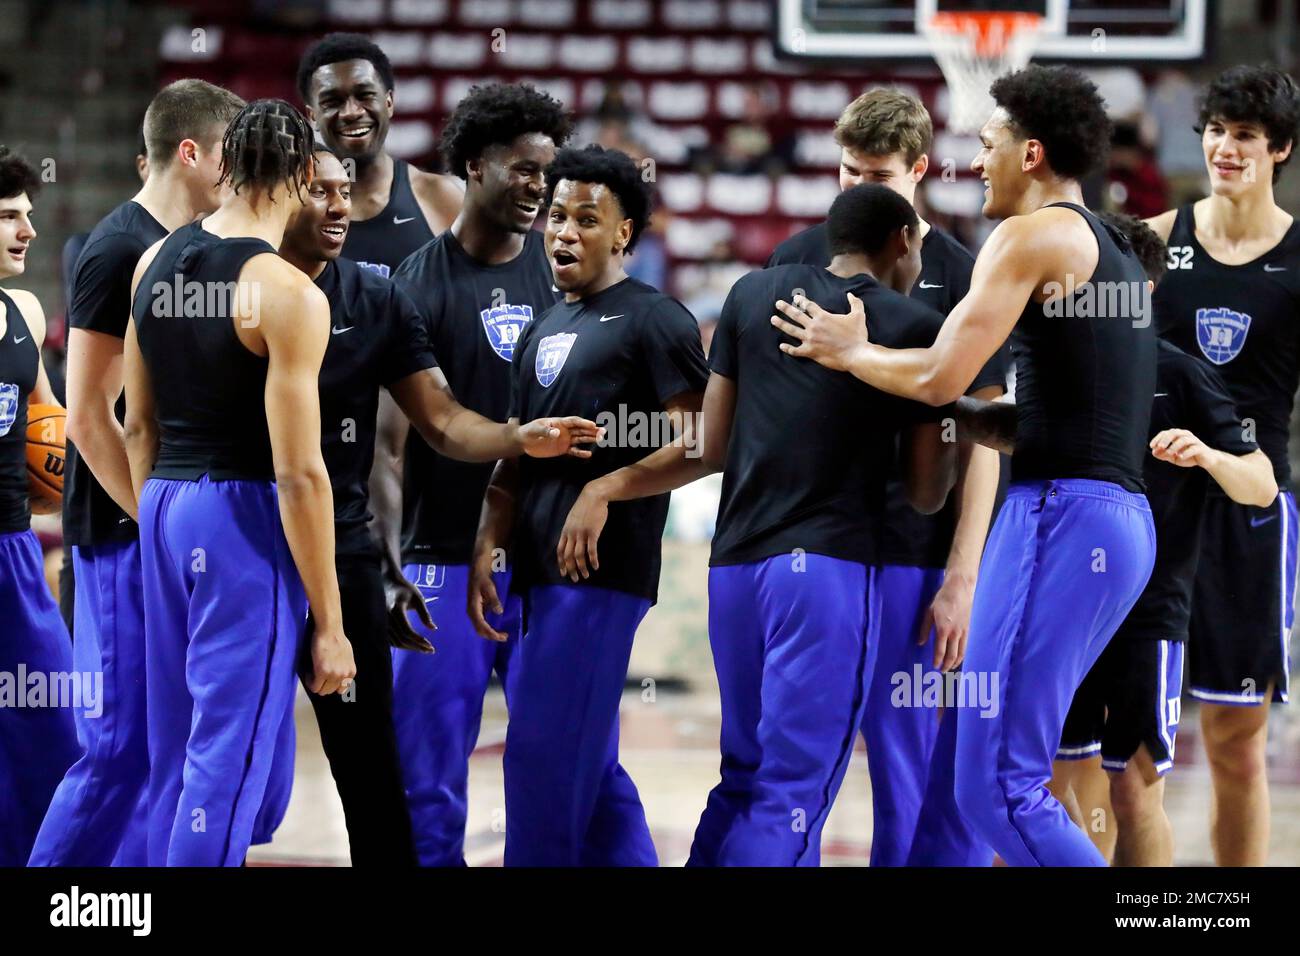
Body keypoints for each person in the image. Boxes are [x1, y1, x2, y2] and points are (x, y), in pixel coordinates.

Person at [771, 65, 1157, 866]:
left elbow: (941, 375)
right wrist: (962, 414)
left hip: (1062, 515)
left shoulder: (1031, 233)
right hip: (1109, 515)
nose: (977, 162)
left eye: (988, 145)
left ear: (1032, 151)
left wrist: (854, 351)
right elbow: (1038, 416)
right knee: (999, 778)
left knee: (995, 788)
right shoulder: (1107, 247)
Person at [272, 146, 597, 865]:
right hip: (251, 543)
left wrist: (518, 435)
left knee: (377, 776)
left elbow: (440, 421)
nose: (336, 205)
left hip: (350, 550)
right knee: (247, 776)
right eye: (317, 191)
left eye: (343, 191)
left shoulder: (378, 296)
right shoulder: (234, 284)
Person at [768, 86, 1006, 868]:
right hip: (814, 550)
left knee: (907, 770)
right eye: (846, 172)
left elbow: (984, 441)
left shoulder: (969, 276)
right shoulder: (795, 261)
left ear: (920, 171)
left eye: (877, 174)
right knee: (792, 762)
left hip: (911, 550)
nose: (858, 189)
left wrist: (963, 575)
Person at [689, 183, 955, 865]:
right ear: (902, 240)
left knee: (741, 780)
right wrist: (953, 419)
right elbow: (926, 494)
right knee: (792, 794)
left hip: (733, 570)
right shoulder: (912, 324)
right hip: (826, 577)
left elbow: (710, 443)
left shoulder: (750, 294)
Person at [122, 99, 356, 866]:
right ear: (295, 174)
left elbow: (137, 425)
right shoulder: (287, 293)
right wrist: (330, 622)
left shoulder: (152, 263)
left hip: (160, 503)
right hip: (239, 515)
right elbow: (299, 473)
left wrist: (159, 522)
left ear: (225, 167)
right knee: (227, 759)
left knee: (177, 751)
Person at [469, 145, 709, 866]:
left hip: (599, 576)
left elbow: (705, 442)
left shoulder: (654, 319)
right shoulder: (543, 326)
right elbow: (515, 458)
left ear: (624, 233)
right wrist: (489, 545)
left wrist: (607, 487)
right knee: (591, 774)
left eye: (586, 219)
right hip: (535, 576)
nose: (563, 232)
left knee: (541, 763)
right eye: (556, 216)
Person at [31, 79, 246, 868]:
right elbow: (89, 415)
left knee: (167, 757)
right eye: (227, 156)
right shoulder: (119, 246)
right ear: (190, 153)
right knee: (117, 750)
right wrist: (158, 528)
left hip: (160, 531)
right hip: (122, 535)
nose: (235, 176)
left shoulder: (190, 250)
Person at [373, 82, 573, 866]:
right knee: (427, 780)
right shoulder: (412, 287)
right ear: (471, 166)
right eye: (521, 170)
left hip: (543, 564)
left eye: (545, 175)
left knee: (561, 765)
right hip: (440, 564)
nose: (536, 189)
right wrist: (392, 573)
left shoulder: (563, 277)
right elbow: (387, 451)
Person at [1145, 65, 1300, 867]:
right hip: (1154, 508)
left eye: (1244, 136)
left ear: (1279, 150)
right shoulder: (1152, 238)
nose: (1224, 148)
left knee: (1236, 743)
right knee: (1135, 747)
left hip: (1250, 509)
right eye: (1216, 130)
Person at [0, 146, 82, 866]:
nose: (26, 230)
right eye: (6, 218)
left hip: (16, 552)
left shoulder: (24, 309)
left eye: (28, 215)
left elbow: (52, 426)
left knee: (56, 728)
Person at [296, 32, 463, 277]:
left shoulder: (442, 197)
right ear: (312, 116)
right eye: (332, 101)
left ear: (389, 103)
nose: (351, 112)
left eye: (365, 95)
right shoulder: (292, 207)